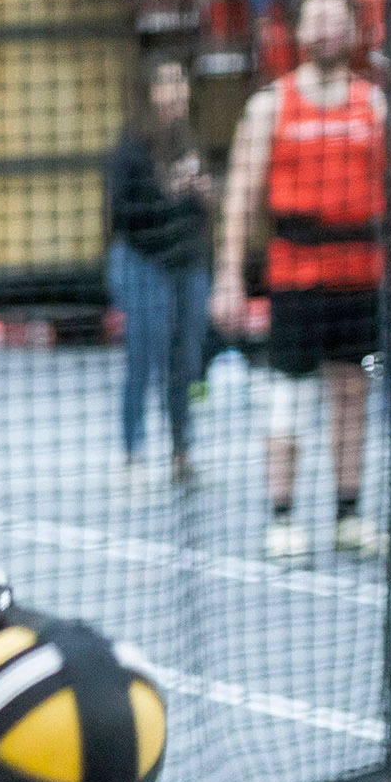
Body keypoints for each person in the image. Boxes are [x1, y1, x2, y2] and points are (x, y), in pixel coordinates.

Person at [212, 0, 389, 565]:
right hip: (294, 279)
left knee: (354, 391)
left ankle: (348, 513)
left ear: (353, 31)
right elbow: (239, 195)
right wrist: (229, 277)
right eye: (316, 19)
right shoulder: (271, 106)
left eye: (337, 20)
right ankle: (282, 516)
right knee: (287, 397)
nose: (327, 30)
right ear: (301, 32)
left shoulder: (374, 104)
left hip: (361, 278)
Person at [107, 55, 215, 488]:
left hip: (187, 264)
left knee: (185, 361)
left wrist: (203, 191)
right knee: (143, 358)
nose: (178, 91)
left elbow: (206, 203)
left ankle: (181, 450)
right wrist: (171, 191)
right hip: (144, 262)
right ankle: (133, 453)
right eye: (168, 83)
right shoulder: (130, 148)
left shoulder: (189, 142)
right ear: (150, 93)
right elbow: (125, 213)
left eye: (181, 82)